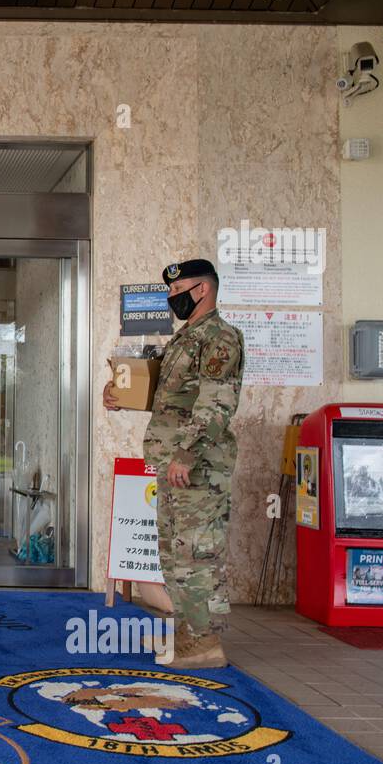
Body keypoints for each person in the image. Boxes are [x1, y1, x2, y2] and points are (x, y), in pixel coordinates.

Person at [104, 258, 244, 669]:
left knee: (198, 554)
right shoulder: (186, 338)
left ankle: (204, 644)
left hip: (197, 468)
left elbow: (216, 403)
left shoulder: (219, 337)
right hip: (173, 468)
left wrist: (185, 453)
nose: (171, 298)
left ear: (202, 290)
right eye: (169, 292)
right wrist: (118, 394)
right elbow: (170, 397)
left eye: (177, 291)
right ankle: (189, 633)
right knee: (176, 555)